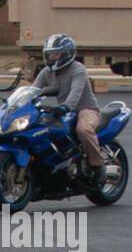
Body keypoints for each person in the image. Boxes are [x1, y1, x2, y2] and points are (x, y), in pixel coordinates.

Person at [32, 33, 110, 185]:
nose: (52, 58)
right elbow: (33, 89)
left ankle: (98, 165)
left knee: (83, 130)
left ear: (67, 54)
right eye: (49, 54)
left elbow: (76, 92)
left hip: (86, 109)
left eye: (56, 54)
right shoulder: (47, 72)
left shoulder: (78, 69)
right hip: (63, 110)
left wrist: (66, 106)